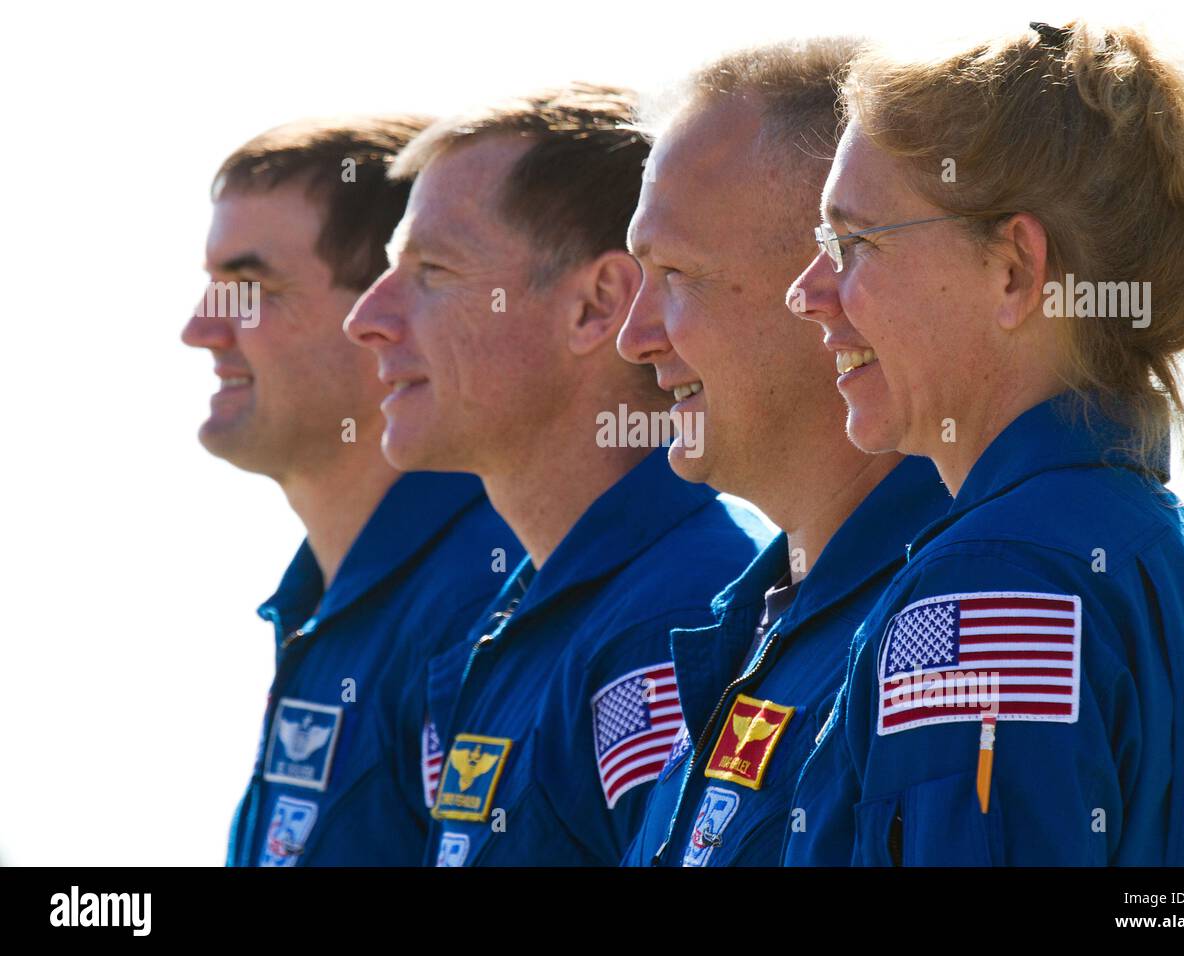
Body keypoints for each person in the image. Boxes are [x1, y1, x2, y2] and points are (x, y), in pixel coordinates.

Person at [784, 21, 1184, 864]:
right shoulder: (1161, 555)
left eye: (855, 243)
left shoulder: (989, 588)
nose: (809, 293)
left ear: (1016, 269)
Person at [345, 84, 773, 866]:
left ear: (596, 305)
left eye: (433, 270)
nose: (367, 318)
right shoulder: (526, 614)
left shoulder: (677, 618)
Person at [616, 39, 950, 867]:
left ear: (830, 278)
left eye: (677, 276)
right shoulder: (758, 629)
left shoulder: (951, 623)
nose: (635, 338)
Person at [183, 116, 521, 866]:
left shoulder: (486, 598)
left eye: (249, 289)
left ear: (386, 314)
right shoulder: (334, 595)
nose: (200, 329)